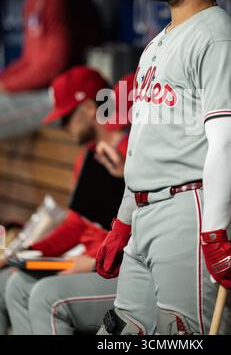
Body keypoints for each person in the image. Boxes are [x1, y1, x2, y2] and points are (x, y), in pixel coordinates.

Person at [96, 0, 231, 335]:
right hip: (147, 211)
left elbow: (227, 144)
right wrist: (122, 220)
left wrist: (215, 234)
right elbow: (147, 145)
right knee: (122, 335)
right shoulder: (157, 43)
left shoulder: (219, 38)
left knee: (180, 337)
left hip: (190, 211)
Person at [2, 66, 133, 334]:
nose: (62, 127)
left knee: (44, 297)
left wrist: (95, 260)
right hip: (93, 261)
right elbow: (77, 223)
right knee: (15, 283)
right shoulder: (90, 157)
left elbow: (136, 230)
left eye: (66, 117)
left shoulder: (129, 154)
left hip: (117, 268)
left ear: (87, 108)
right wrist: (29, 253)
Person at [0, 0, 103, 139]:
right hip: (42, 93)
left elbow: (54, 65)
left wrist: (6, 85)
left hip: (69, 96)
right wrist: (3, 82)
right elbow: (29, 60)